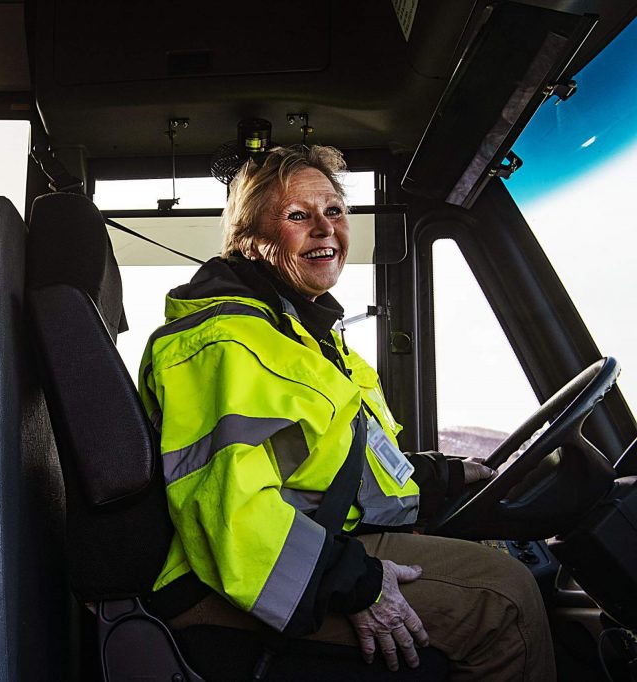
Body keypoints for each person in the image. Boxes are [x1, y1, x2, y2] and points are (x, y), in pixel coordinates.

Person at [138, 145, 555, 680]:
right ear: (249, 241)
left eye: (334, 210)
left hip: (303, 544)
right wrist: (354, 582)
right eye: (297, 216)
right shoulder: (223, 343)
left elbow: (344, 469)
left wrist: (446, 476)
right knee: (505, 599)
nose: (324, 228)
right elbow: (226, 511)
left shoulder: (305, 340)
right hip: (222, 579)